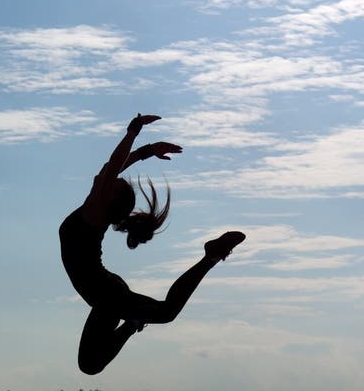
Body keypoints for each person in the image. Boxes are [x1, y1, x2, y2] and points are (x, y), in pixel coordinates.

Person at [59, 113, 245, 375]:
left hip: (108, 295)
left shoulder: (95, 211)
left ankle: (210, 257)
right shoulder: (96, 206)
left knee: (166, 313)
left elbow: (113, 165)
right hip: (105, 295)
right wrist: (147, 151)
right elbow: (112, 168)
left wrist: (133, 131)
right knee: (90, 364)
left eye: (113, 182)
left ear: (108, 198)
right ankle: (134, 321)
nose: (109, 177)